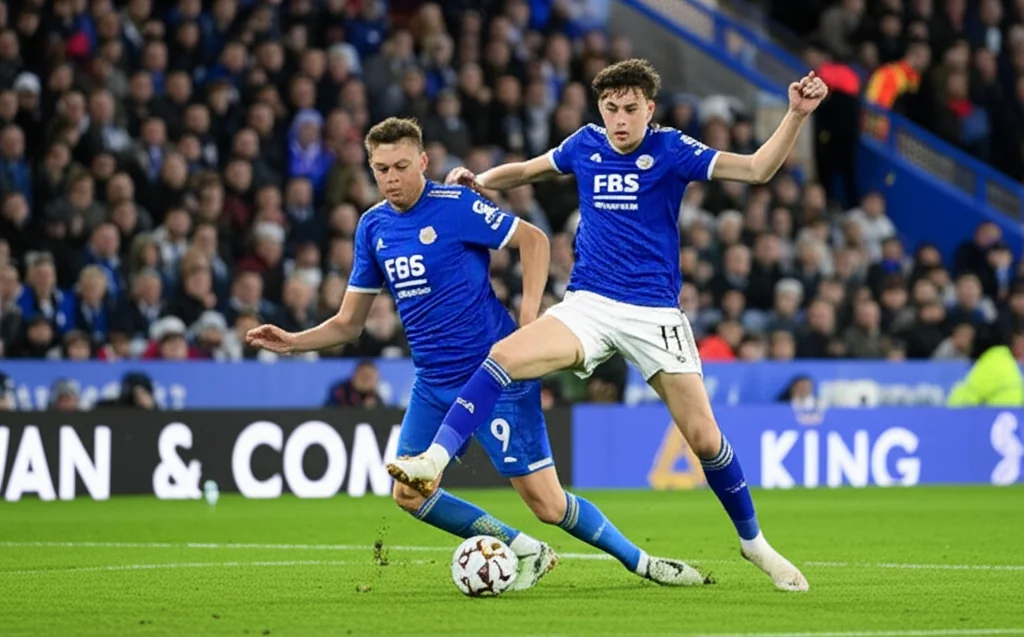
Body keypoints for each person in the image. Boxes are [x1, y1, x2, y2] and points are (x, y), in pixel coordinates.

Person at [388, 59, 829, 592]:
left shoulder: (672, 150)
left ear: (650, 109)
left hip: (653, 315)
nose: (620, 120)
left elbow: (758, 169)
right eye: (610, 108)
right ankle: (433, 458)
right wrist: (477, 180)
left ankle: (753, 542)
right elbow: (527, 170)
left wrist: (796, 115)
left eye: (630, 109)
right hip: (588, 305)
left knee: (705, 439)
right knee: (502, 355)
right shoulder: (584, 144)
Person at [245, 117, 701, 591]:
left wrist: (528, 326)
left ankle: (641, 562)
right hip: (433, 381)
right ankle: (522, 547)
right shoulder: (373, 226)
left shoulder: (455, 206)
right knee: (409, 494)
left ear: (423, 161)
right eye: (381, 169)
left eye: (401, 165)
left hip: (495, 376)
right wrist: (294, 341)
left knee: (548, 505)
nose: (391, 178)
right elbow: (349, 324)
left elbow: (534, 240)